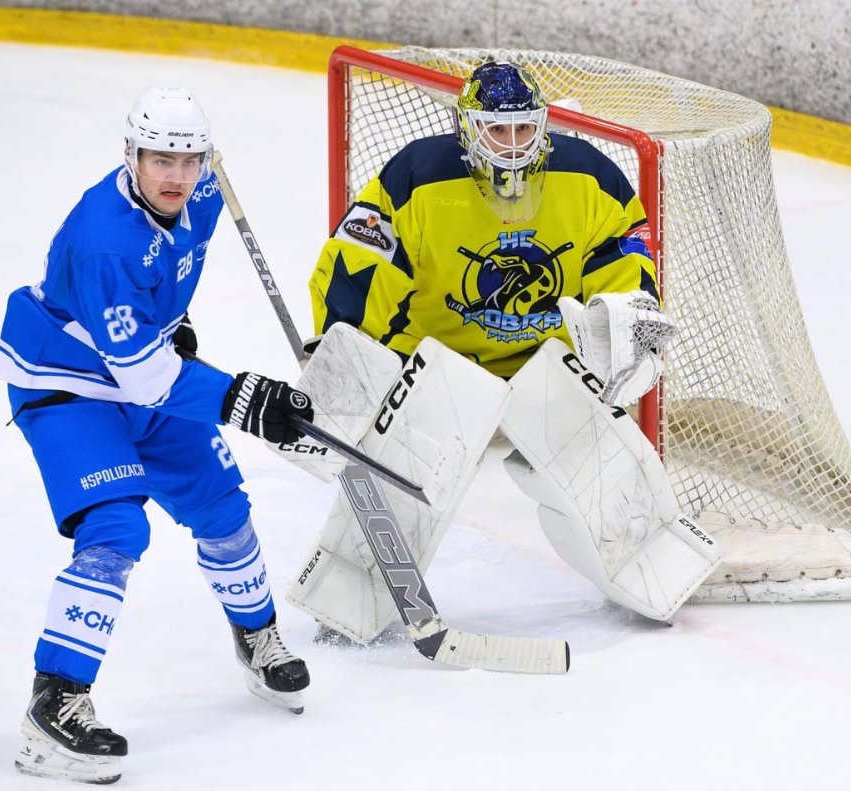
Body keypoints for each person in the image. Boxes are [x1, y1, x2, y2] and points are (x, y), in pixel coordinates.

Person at [284, 61, 721, 645]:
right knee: (405, 468)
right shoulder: (415, 175)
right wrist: (346, 354)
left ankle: (654, 570)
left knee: (598, 460)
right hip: (439, 361)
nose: (513, 147)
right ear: (469, 129)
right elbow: (358, 267)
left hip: (541, 361)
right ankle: (349, 593)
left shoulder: (592, 178)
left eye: (523, 131)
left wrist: (625, 329)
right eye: (498, 131)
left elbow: (626, 270)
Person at [0, 87, 314, 785]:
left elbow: (165, 278)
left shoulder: (202, 197)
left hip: (144, 369)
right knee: (115, 530)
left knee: (223, 508)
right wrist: (245, 399)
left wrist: (171, 323)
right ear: (129, 155)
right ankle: (56, 703)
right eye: (159, 158)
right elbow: (144, 378)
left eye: (188, 158)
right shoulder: (102, 238)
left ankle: (255, 634)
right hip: (69, 386)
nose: (175, 175)